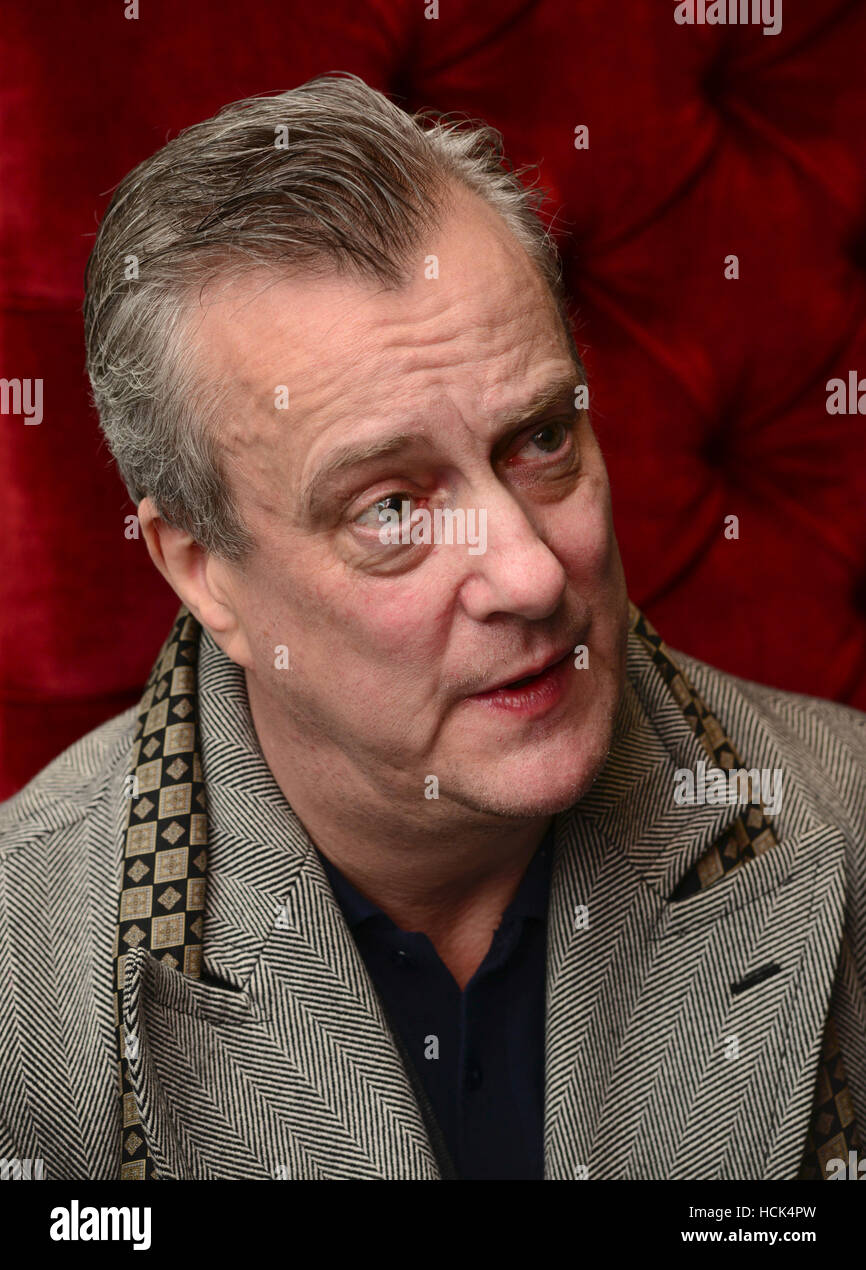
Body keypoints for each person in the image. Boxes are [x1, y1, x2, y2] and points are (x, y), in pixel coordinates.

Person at [1, 73, 863, 1181]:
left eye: (540, 439)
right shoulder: (26, 979)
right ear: (200, 569)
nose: (528, 571)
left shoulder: (840, 818)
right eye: (394, 509)